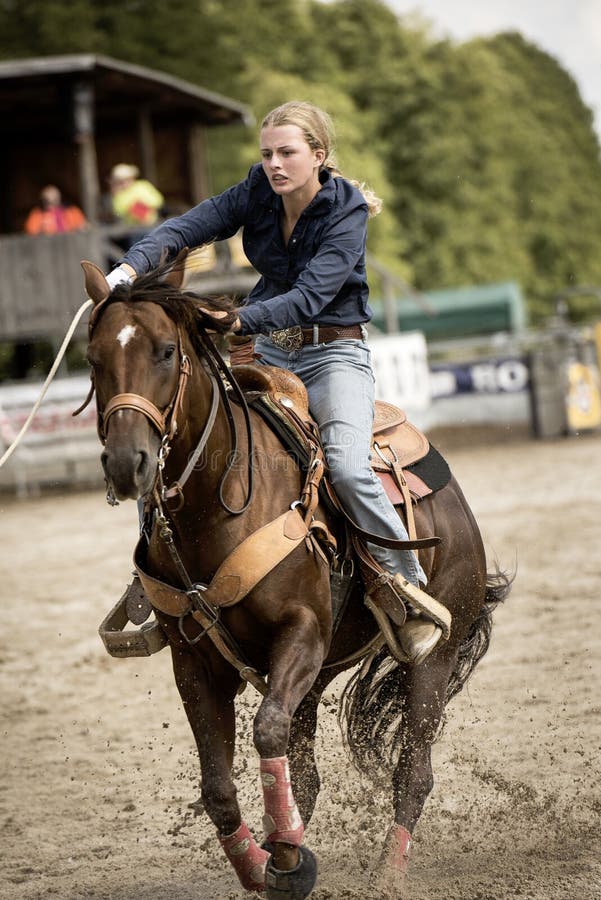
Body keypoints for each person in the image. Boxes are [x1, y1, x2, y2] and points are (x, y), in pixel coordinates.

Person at [105, 101, 442, 665]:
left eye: (287, 153)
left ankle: (406, 589)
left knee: (347, 465)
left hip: (333, 353)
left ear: (318, 155)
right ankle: (157, 582)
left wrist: (238, 319)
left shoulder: (346, 210)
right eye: (267, 154)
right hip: (266, 349)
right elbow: (189, 227)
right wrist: (129, 268)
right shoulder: (256, 190)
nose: (275, 164)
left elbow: (311, 296)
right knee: (175, 441)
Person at [108, 163, 164, 229]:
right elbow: (117, 211)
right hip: (132, 228)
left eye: (126, 179)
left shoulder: (143, 186)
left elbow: (158, 200)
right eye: (121, 181)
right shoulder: (118, 193)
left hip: (152, 224)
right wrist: (131, 208)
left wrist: (143, 203)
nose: (124, 183)